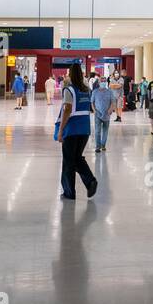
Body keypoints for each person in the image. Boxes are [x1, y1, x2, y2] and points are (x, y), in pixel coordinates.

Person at [55, 62, 98, 201]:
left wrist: (61, 130)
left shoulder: (69, 90)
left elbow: (67, 109)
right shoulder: (86, 90)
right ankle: (90, 181)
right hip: (84, 129)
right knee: (76, 157)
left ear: (71, 74)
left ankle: (69, 192)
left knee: (68, 161)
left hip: (72, 129)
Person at [90, 75, 118, 153]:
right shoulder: (95, 92)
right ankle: (98, 146)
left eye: (104, 81)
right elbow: (92, 102)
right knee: (97, 131)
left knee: (105, 131)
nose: (103, 82)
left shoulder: (109, 91)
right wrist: (94, 110)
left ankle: (103, 145)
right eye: (101, 81)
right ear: (99, 82)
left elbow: (113, 102)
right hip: (97, 114)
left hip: (107, 114)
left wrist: (110, 110)